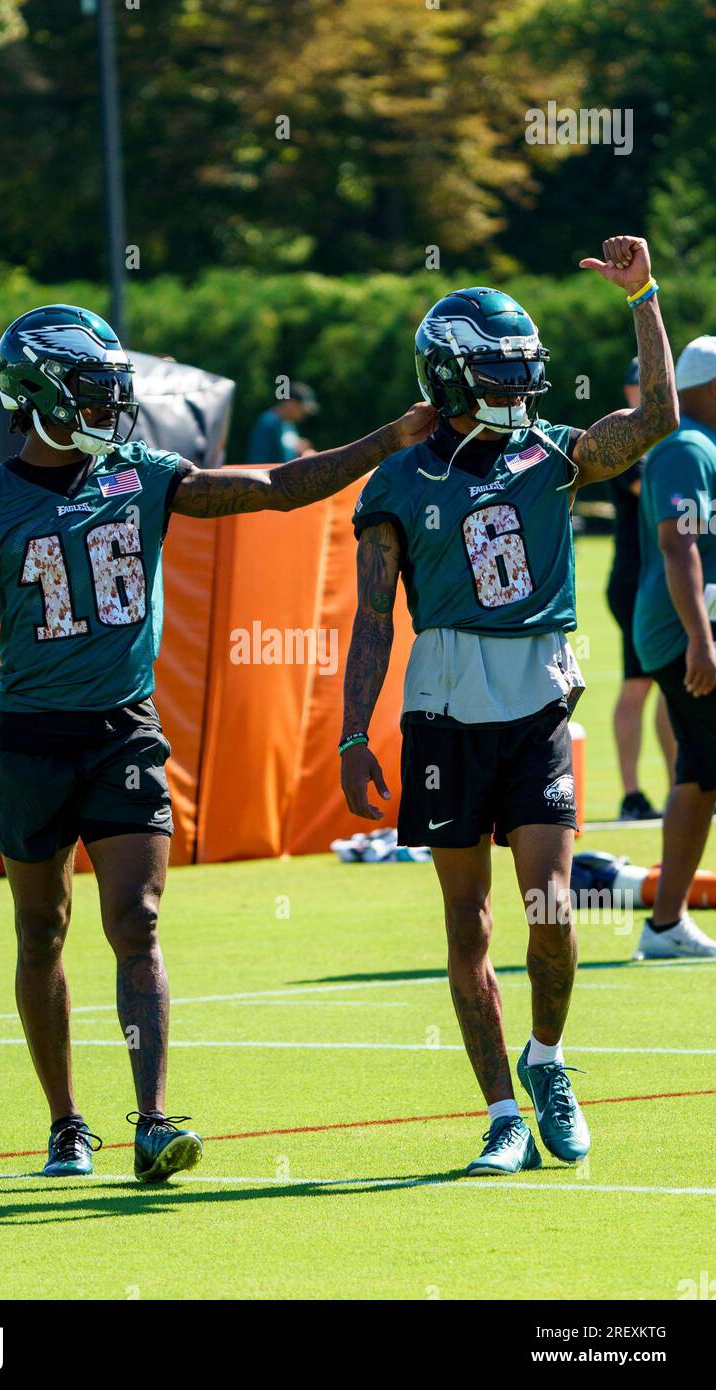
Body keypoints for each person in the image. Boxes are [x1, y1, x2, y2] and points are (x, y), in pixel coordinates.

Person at [0, 303, 436, 1182]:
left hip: (126, 733)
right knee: (41, 932)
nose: (111, 408)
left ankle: (152, 1121)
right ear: (38, 396)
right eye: (92, 391)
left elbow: (270, 489)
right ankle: (66, 1123)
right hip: (32, 739)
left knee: (137, 923)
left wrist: (384, 439)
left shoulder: (143, 475)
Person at [340, 237, 678, 1176]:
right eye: (493, 370)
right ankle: (499, 1112)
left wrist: (642, 296)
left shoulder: (552, 454)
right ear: (448, 376)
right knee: (467, 926)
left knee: (552, 906)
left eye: (519, 370)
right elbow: (372, 623)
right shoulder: (400, 481)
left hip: (535, 706)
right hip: (444, 713)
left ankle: (548, 1060)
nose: (513, 387)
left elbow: (656, 417)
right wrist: (350, 733)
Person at [631, 335, 716, 960]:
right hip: (684, 632)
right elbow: (678, 545)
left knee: (701, 769)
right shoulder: (686, 446)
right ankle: (663, 925)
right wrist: (700, 640)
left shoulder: (702, 445)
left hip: (694, 627)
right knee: (703, 768)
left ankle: (665, 925)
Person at [607, 357, 676, 819]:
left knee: (669, 685)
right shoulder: (626, 444)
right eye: (638, 386)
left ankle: (681, 789)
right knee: (638, 685)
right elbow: (654, 492)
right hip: (635, 581)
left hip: (661, 580)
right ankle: (633, 795)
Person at [245, 382, 319, 463]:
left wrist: (302, 452)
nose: (305, 413)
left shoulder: (289, 424)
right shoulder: (268, 423)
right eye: (302, 408)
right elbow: (259, 462)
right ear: (291, 402)